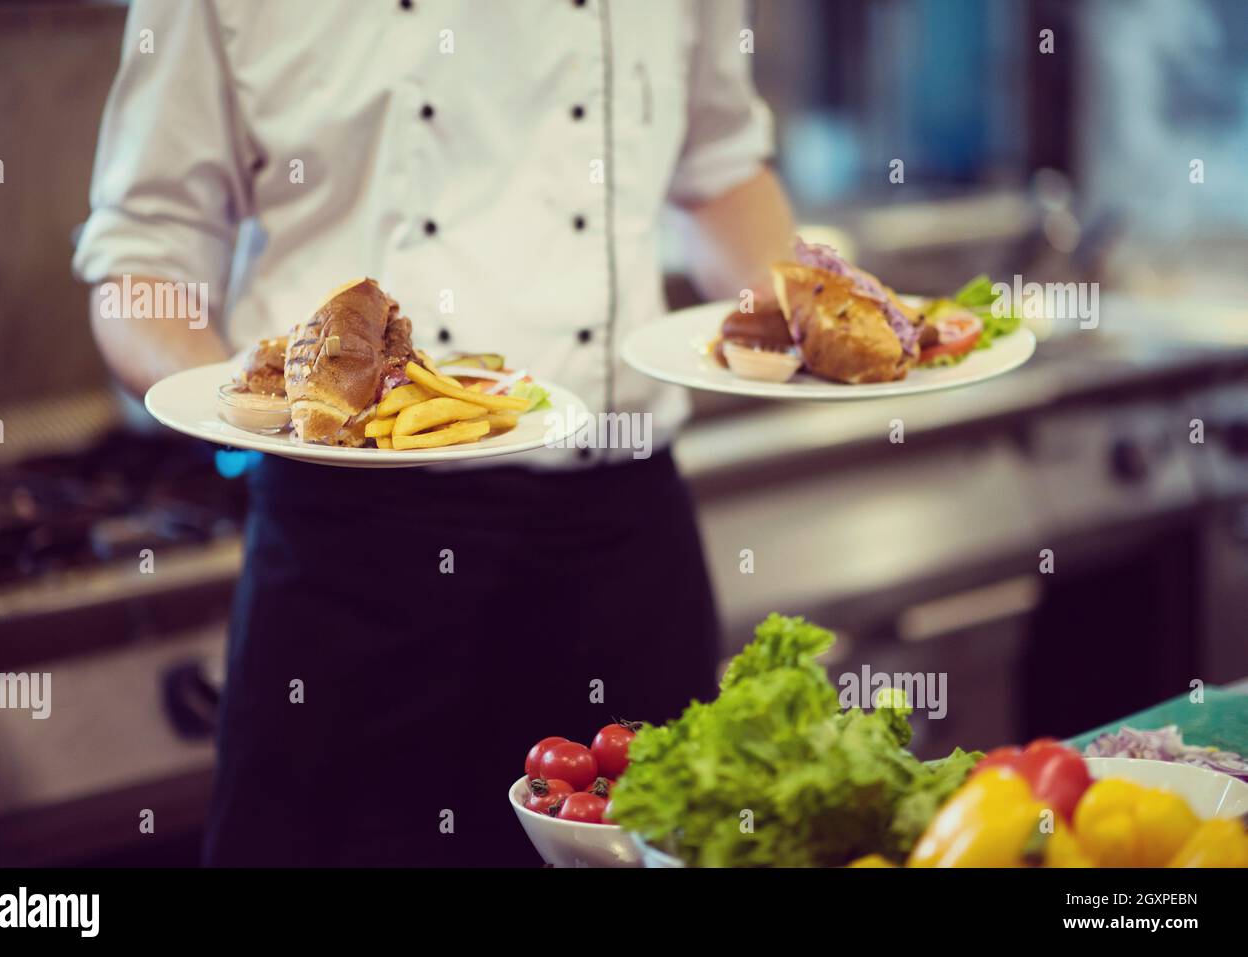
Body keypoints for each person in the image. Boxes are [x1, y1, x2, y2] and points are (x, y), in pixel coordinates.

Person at [75, 0, 795, 866]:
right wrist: (232, 394)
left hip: (623, 549)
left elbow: (721, 170)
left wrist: (812, 313)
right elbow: (144, 252)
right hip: (348, 557)